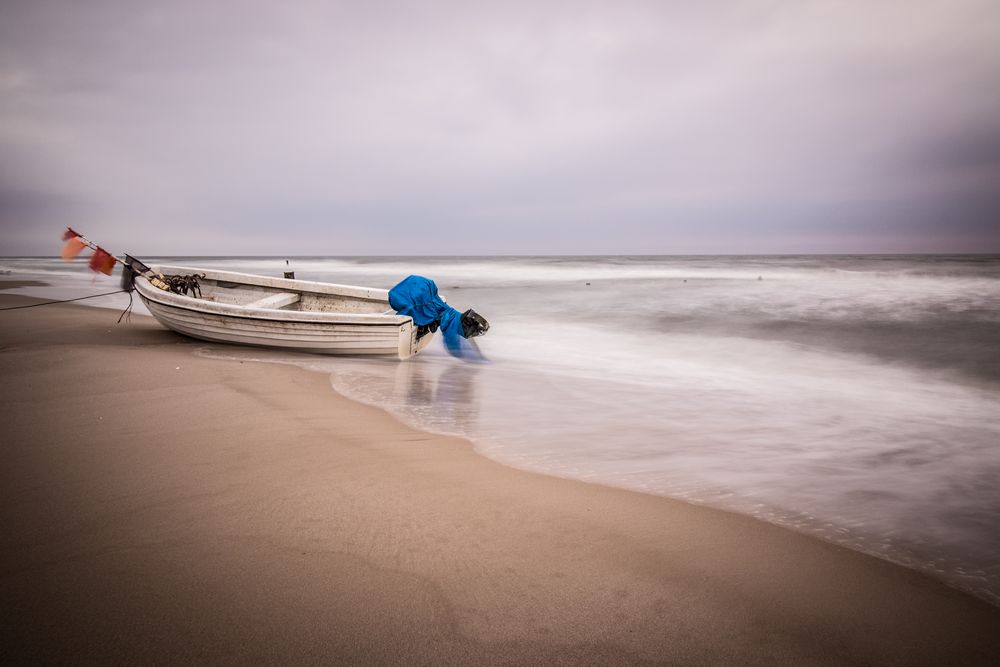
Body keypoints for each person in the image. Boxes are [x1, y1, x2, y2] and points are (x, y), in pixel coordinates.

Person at [388, 275, 489, 359]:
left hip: (422, 286)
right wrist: (474, 360)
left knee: (426, 310)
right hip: (414, 293)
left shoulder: (456, 316)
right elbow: (453, 348)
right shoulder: (452, 324)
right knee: (416, 310)